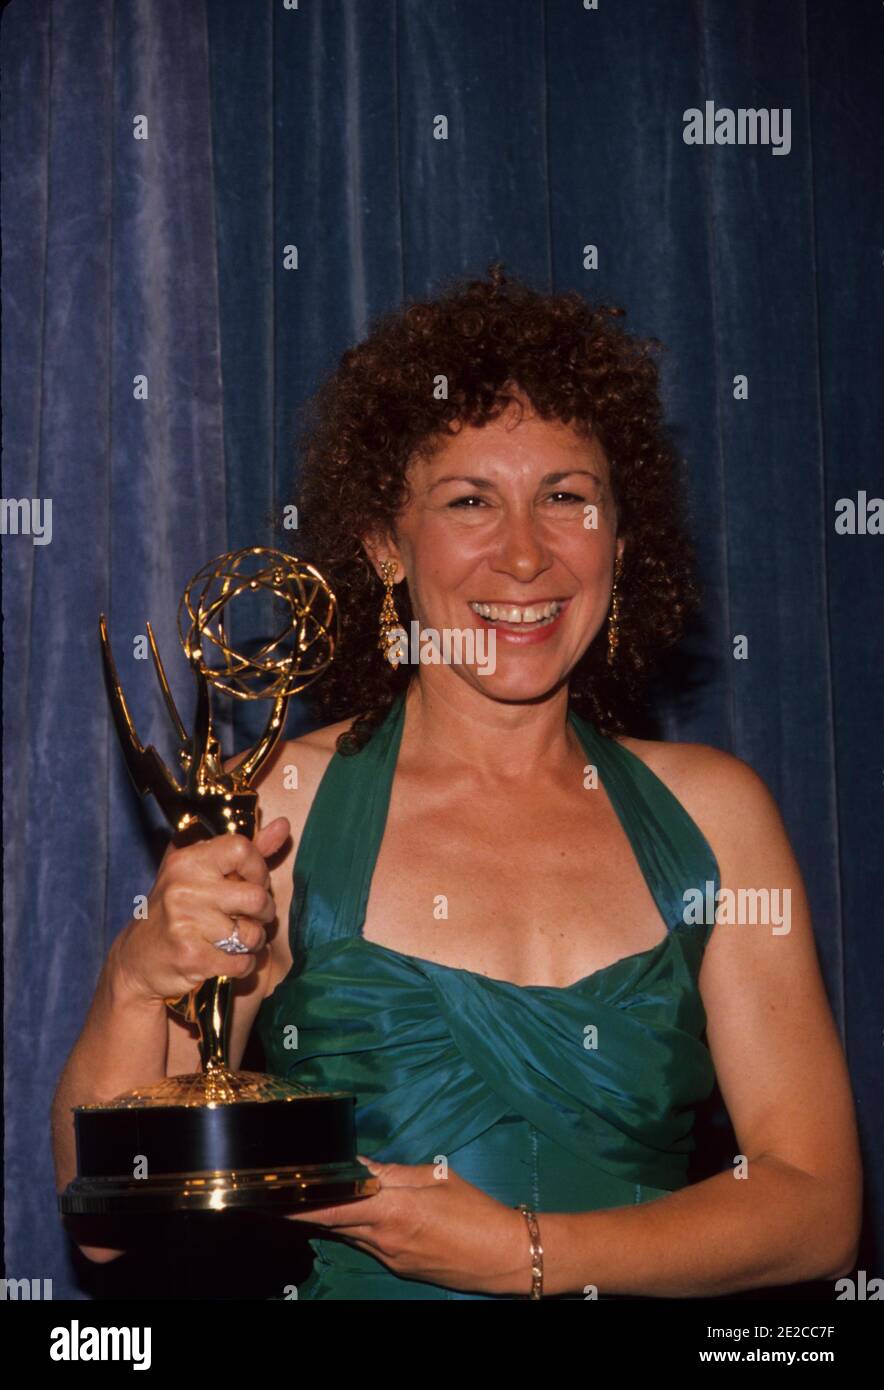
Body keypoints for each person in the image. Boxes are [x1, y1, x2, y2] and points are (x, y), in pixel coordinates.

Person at [52, 265, 862, 1300]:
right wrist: (134, 974)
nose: (523, 556)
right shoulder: (282, 811)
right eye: (469, 500)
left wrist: (525, 1254)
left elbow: (814, 1211)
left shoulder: (715, 816)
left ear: (619, 538)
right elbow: (109, 1223)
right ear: (384, 546)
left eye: (565, 498)